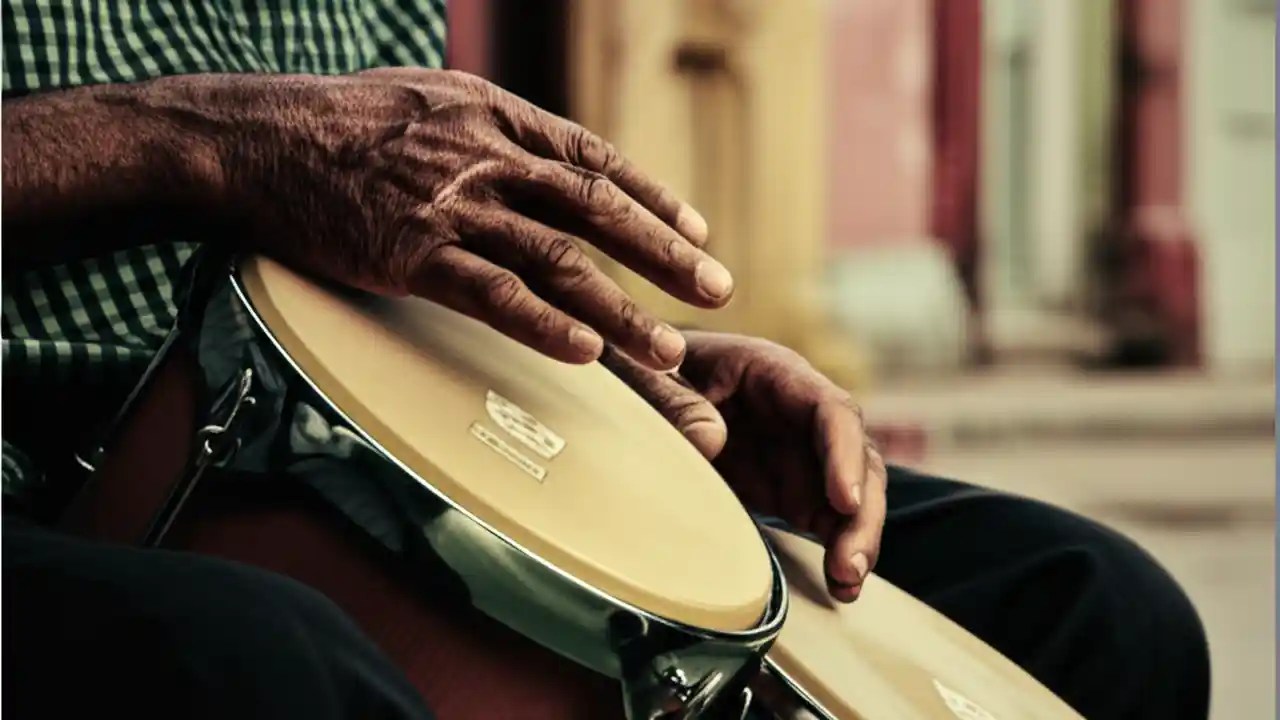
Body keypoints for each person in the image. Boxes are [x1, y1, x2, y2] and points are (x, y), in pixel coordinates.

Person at [1, 2, 1209, 719]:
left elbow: (369, 241)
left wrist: (632, 380)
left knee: (1092, 607)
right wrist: (185, 141)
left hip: (353, 443)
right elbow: (264, 159)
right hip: (34, 473)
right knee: (264, 668)